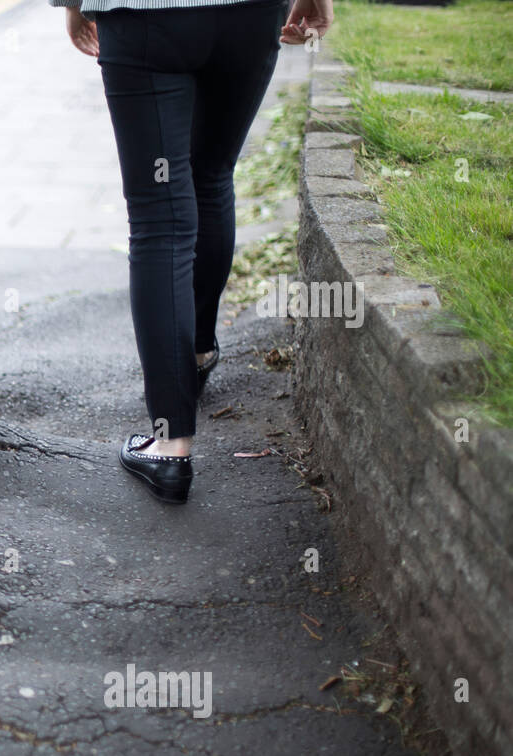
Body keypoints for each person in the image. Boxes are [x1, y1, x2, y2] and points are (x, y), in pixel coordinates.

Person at [53, 0, 334, 502]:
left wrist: (73, 3)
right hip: (251, 14)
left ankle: (170, 446)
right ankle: (199, 352)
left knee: (161, 218)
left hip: (143, 16)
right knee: (210, 176)